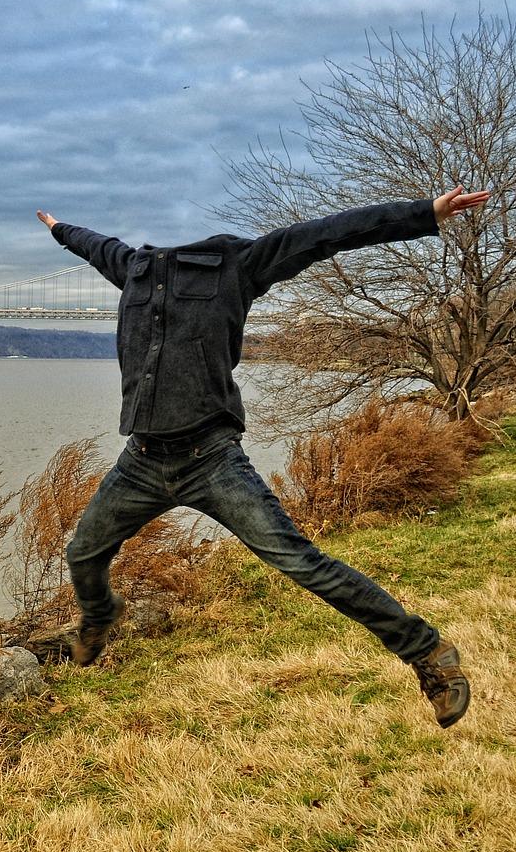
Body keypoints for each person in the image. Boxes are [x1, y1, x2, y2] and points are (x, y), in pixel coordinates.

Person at [36, 187, 490, 728]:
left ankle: (428, 653)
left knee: (303, 563)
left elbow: (328, 233)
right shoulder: (134, 268)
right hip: (141, 462)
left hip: (212, 460)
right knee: (83, 554)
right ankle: (99, 618)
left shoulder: (237, 264)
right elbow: (96, 245)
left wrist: (423, 213)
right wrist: (63, 231)